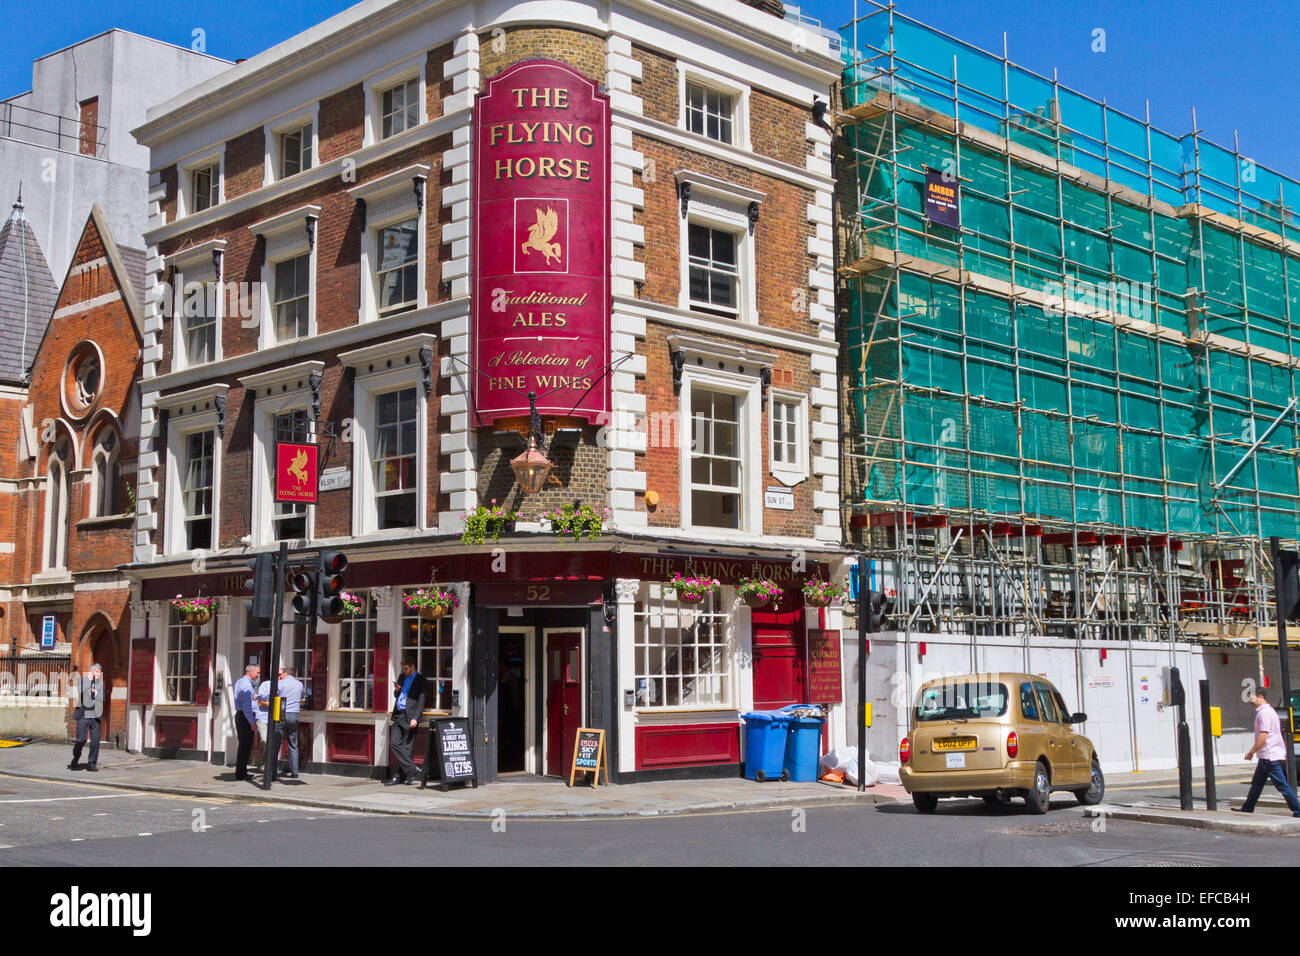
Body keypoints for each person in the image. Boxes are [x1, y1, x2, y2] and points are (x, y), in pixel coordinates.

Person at [1232, 689, 1300, 817]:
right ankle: (1248, 807)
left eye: (1252, 699)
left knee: (1282, 785)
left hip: (1269, 755)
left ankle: (1298, 810)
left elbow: (1263, 735)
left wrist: (1251, 752)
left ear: (1260, 697)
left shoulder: (1265, 713)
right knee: (1257, 784)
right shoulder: (1267, 712)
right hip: (1266, 755)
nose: (1250, 702)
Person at [386, 655, 428, 786]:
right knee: (394, 743)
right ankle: (412, 769)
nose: (404, 671)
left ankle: (401, 776)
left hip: (410, 717)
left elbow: (421, 701)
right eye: (403, 669)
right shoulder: (402, 677)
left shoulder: (421, 680)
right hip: (399, 714)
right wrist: (397, 691)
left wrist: (416, 717)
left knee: (407, 749)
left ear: (412, 667)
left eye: (406, 669)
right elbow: (397, 695)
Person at [68, 663, 104, 772]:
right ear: (91, 671)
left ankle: (92, 763)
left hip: (95, 715)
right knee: (81, 740)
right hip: (83, 714)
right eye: (96, 672)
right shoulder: (82, 680)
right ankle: (76, 758)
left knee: (95, 741)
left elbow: (103, 698)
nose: (98, 674)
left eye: (99, 672)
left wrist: (97, 692)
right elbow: (81, 691)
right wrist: (90, 681)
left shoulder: (100, 684)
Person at [232, 664, 260, 780]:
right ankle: (241, 773)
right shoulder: (247, 685)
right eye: (257, 673)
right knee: (245, 746)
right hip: (245, 717)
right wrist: (252, 722)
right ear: (250, 672)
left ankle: (241, 771)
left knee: (243, 745)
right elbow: (247, 706)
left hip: (241, 716)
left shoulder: (240, 682)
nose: (258, 675)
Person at [277, 665, 305, 779]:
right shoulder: (299, 684)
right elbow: (302, 697)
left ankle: (272, 770)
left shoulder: (280, 683)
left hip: (282, 713)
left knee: (276, 742)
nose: (281, 676)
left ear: (286, 674)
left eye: (281, 674)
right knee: (293, 744)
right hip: (294, 714)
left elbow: (274, 696)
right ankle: (295, 772)